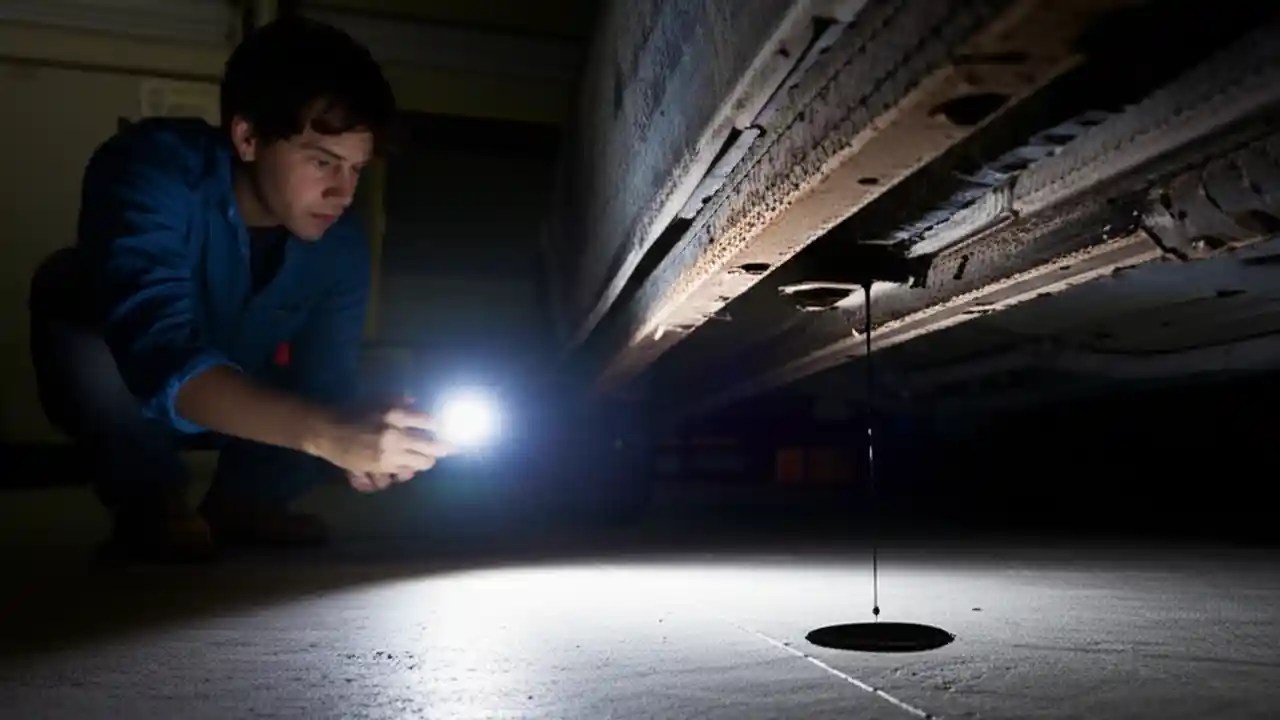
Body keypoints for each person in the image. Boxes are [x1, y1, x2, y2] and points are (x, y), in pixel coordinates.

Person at [27, 16, 451, 562]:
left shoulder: (339, 245)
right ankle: (150, 502)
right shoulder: (150, 169)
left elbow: (326, 385)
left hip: (241, 389)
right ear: (248, 137)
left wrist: (360, 441)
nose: (343, 191)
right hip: (121, 381)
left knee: (340, 387)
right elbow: (158, 352)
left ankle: (247, 501)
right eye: (322, 162)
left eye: (356, 169)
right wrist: (326, 432)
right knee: (74, 301)